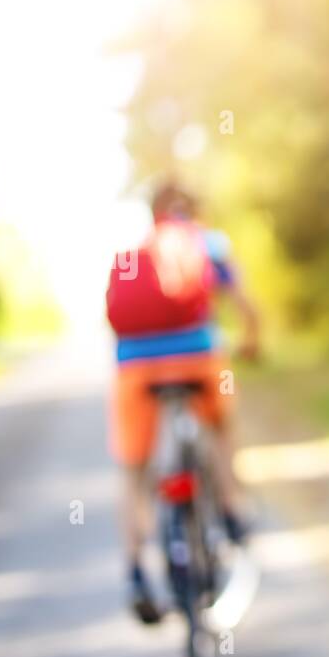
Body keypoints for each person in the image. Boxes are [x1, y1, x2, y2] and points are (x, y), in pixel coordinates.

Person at [107, 182, 260, 624]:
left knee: (133, 471)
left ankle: (135, 571)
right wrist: (252, 340)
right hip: (198, 356)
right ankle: (232, 511)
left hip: (135, 366)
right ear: (195, 210)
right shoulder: (208, 244)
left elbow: (114, 317)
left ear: (154, 212)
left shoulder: (136, 251)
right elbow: (243, 302)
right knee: (221, 427)